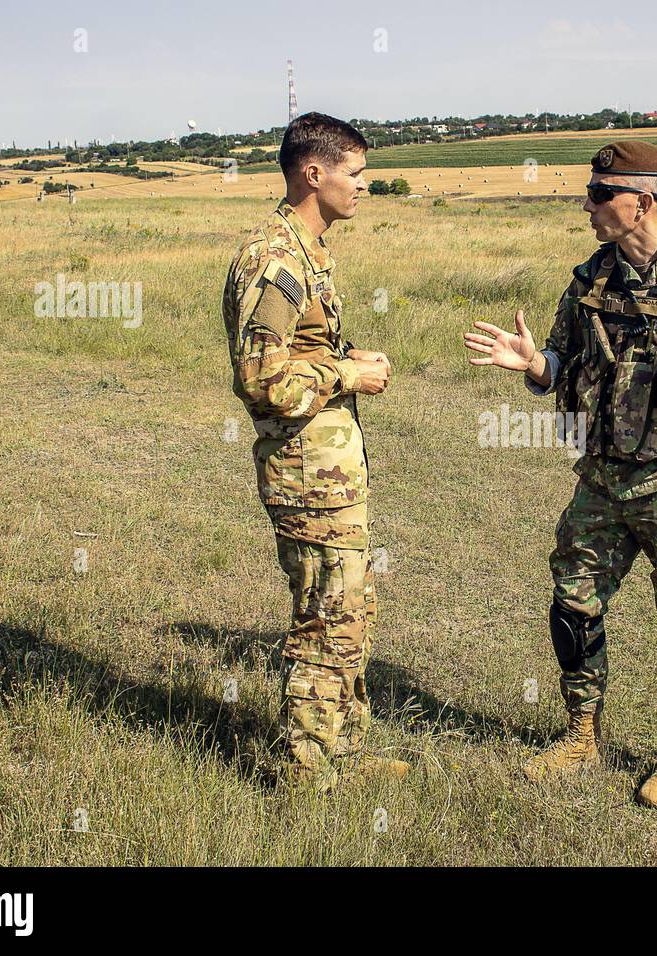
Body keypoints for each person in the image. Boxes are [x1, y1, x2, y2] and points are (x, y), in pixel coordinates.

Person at [463, 141, 657, 808]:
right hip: (601, 480)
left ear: (644, 201)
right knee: (573, 604)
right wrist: (530, 363)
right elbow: (559, 366)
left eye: (601, 193)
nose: (588, 204)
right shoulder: (588, 280)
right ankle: (581, 735)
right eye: (591, 191)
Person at [222, 111, 404, 790]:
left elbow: (298, 353)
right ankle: (305, 774)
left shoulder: (308, 249)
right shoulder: (275, 258)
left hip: (329, 473)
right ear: (314, 172)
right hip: (305, 476)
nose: (364, 185)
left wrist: (340, 358)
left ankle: (346, 752)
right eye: (355, 173)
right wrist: (346, 375)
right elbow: (261, 380)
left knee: (351, 612)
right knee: (326, 622)